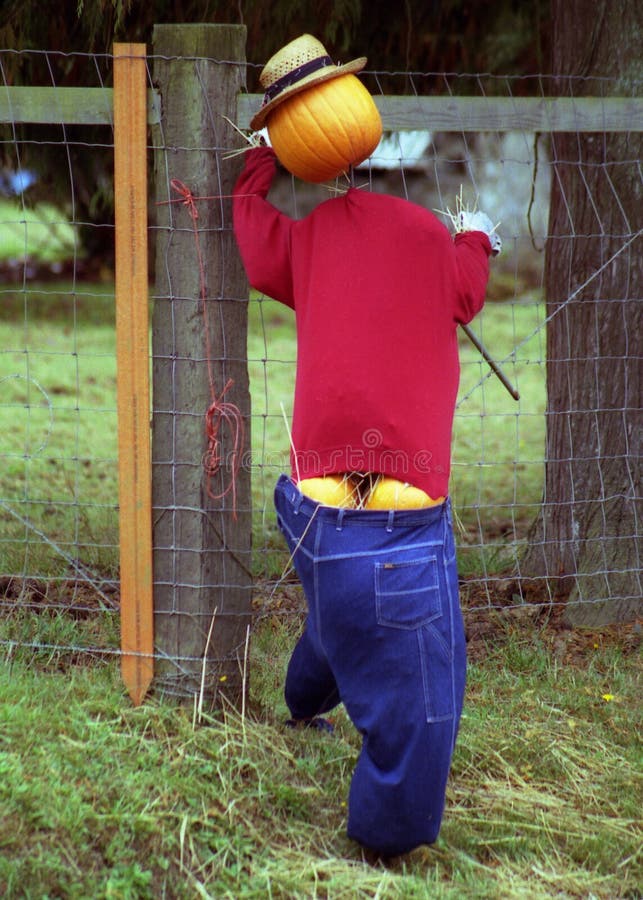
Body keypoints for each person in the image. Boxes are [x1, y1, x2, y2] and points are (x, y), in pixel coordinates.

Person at [233, 36, 500, 859]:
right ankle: (384, 843)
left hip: (309, 508)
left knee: (340, 600)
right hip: (397, 528)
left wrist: (255, 163)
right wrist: (478, 236)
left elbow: (252, 231)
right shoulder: (427, 236)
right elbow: (465, 290)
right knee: (424, 699)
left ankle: (302, 698)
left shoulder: (305, 241)